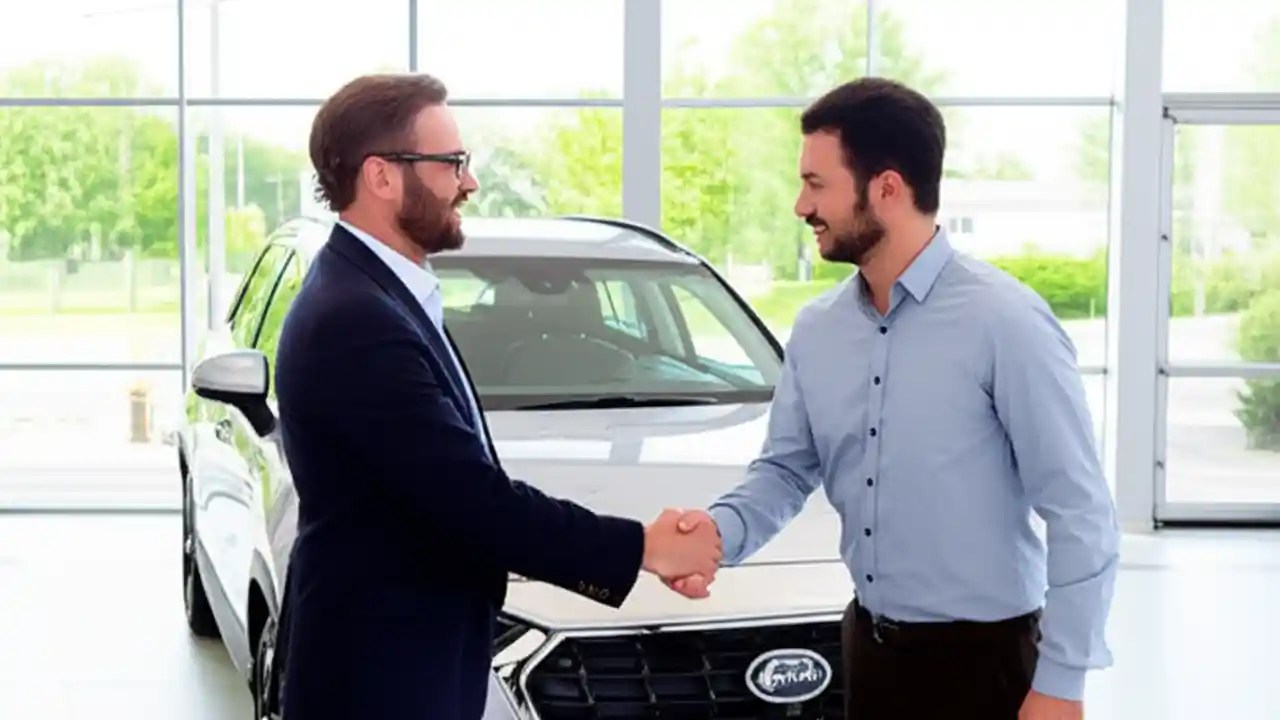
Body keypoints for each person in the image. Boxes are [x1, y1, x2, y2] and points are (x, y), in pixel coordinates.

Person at [270, 73, 723, 720]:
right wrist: (645, 548)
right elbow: (471, 503)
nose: (469, 182)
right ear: (381, 176)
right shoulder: (355, 320)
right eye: (452, 163)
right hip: (380, 680)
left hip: (402, 663)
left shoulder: (375, 293)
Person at [669, 77, 1119, 720]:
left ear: (886, 188)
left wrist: (1063, 682)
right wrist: (718, 534)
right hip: (870, 651)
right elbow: (786, 469)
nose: (801, 205)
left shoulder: (1007, 322)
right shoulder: (818, 329)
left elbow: (1080, 510)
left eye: (816, 183)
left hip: (990, 666)